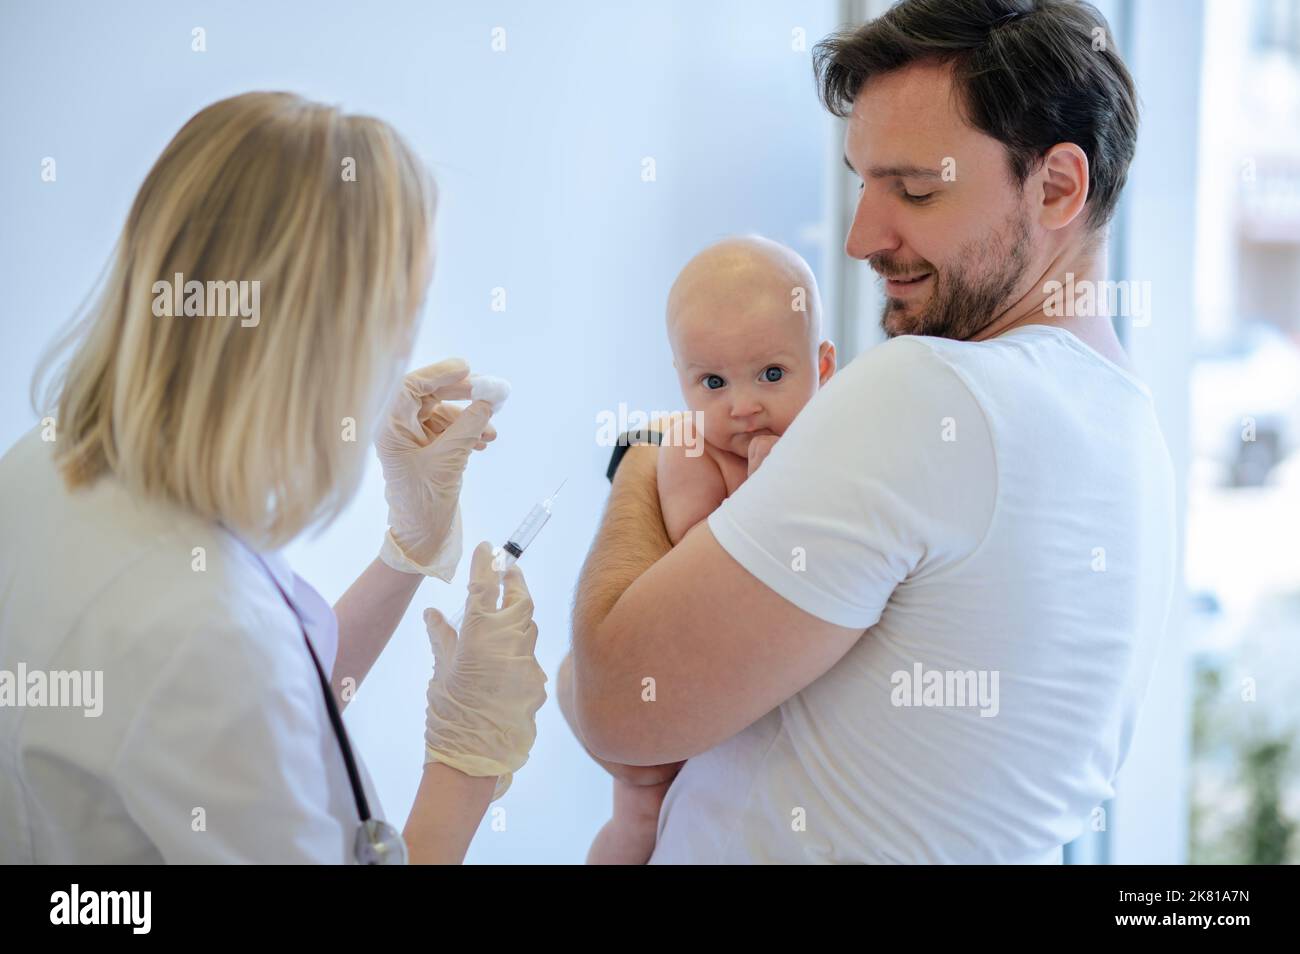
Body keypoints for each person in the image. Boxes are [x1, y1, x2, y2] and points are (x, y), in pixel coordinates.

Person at [561, 0, 1177, 863]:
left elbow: (617, 704)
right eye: (862, 183)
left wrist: (650, 454)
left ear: (1058, 187)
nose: (859, 239)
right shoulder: (1131, 434)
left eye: (916, 190)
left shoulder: (935, 392)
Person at [0, 92, 547, 864]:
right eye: (401, 316)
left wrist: (407, 553)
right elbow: (231, 685)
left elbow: (267, 711)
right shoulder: (203, 634)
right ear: (327, 343)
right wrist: (466, 763)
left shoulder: (46, 468)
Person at [583, 236, 835, 863]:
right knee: (641, 816)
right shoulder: (691, 450)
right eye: (714, 382)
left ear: (823, 369)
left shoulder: (829, 439)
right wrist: (770, 485)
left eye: (772, 375)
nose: (743, 406)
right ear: (682, 383)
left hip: (748, 700)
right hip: (672, 688)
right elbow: (707, 557)